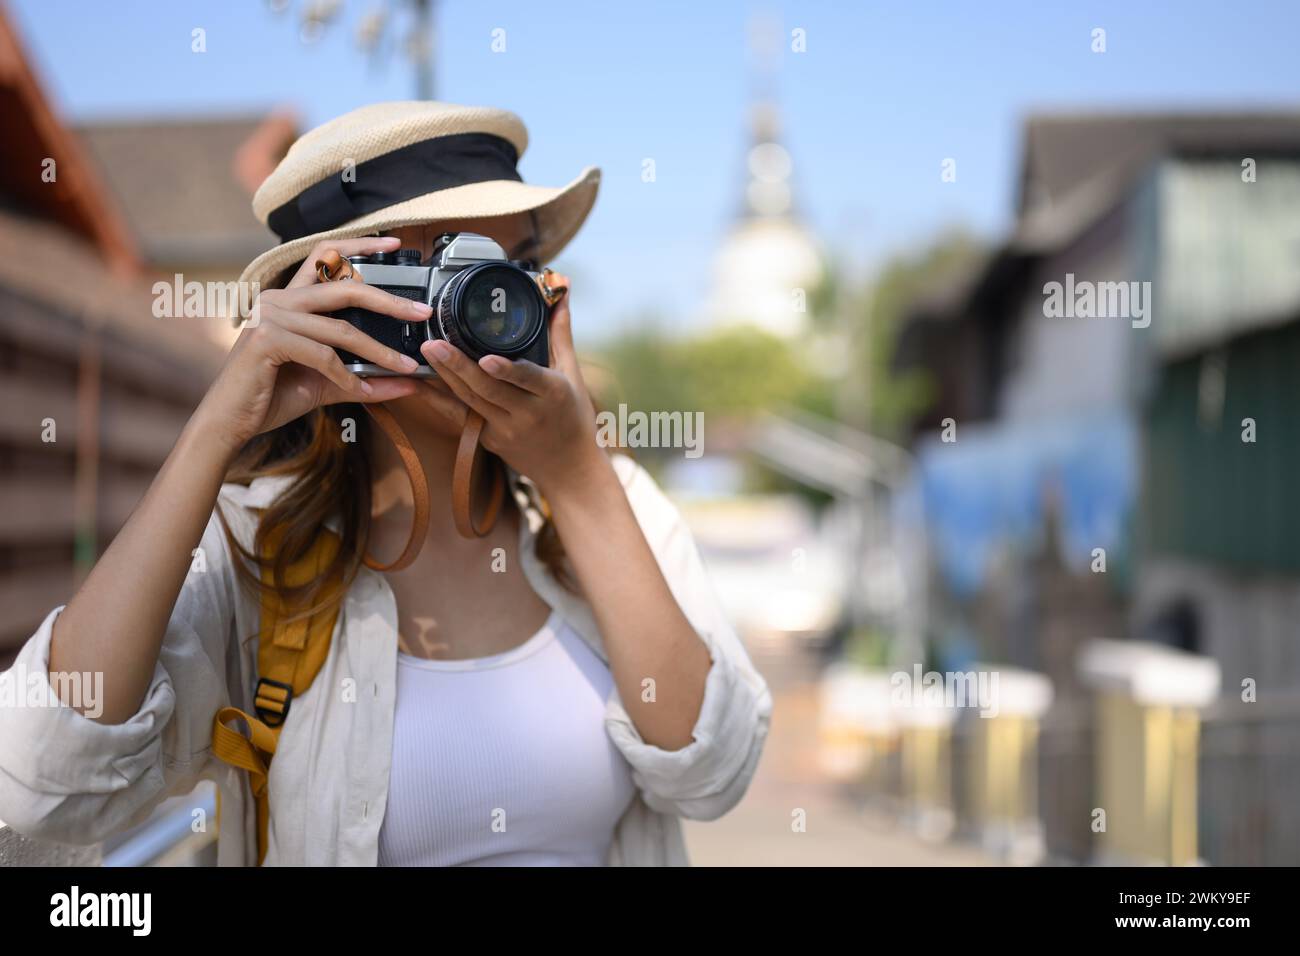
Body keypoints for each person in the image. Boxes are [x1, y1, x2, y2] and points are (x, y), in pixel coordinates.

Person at [0, 101, 771, 866]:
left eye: (516, 269)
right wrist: (214, 431)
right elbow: (46, 784)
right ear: (339, 296)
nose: (489, 306)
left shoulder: (616, 502)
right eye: (442, 274)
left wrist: (578, 482)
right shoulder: (255, 546)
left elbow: (713, 774)